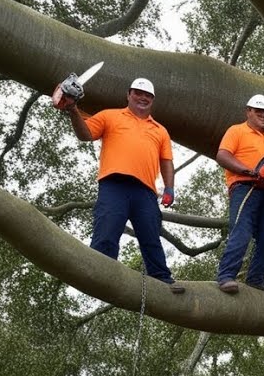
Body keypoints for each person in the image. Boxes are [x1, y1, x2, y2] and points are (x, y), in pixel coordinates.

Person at [61, 78, 184, 293]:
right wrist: (73, 109)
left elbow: (166, 161)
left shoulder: (160, 130)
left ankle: (161, 278)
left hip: (145, 190)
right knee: (107, 228)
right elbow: (85, 134)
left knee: (151, 235)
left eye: (148, 95)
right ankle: (100, 273)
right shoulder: (111, 116)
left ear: (152, 101)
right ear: (128, 95)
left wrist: (170, 188)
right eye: (138, 93)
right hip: (114, 184)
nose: (143, 98)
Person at [215, 94, 264, 294]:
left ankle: (256, 277)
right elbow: (223, 155)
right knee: (242, 232)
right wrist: (248, 171)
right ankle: (226, 275)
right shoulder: (237, 131)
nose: (263, 115)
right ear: (249, 111)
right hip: (245, 187)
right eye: (259, 111)